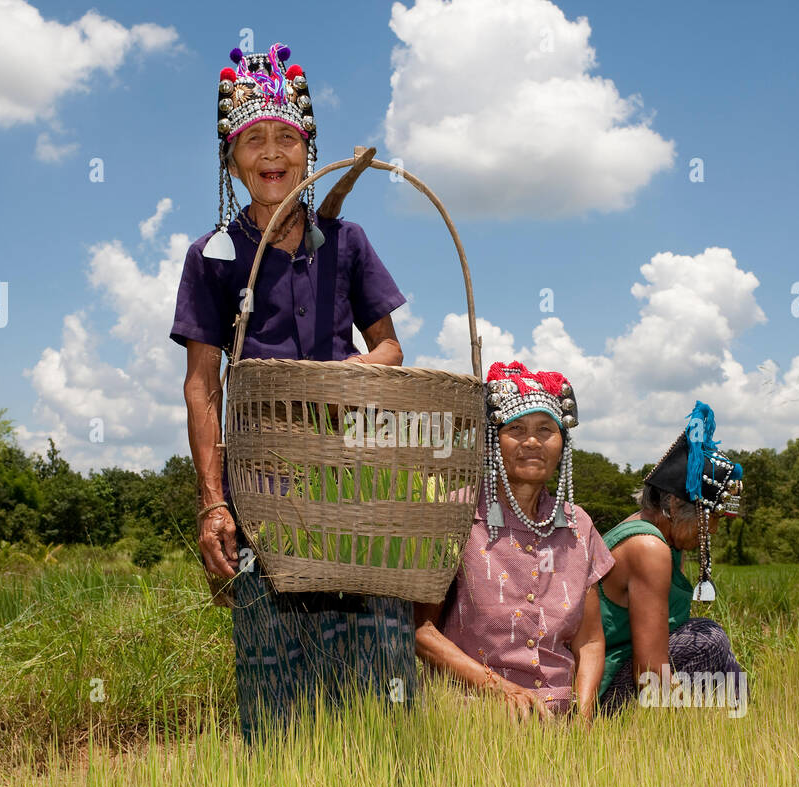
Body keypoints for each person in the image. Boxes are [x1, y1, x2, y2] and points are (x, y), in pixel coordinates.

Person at [170, 43, 413, 741]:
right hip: (263, 484)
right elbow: (201, 386)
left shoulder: (348, 242)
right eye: (253, 140)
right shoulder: (212, 256)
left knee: (378, 664)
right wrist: (214, 502)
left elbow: (390, 349)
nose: (271, 153)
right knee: (277, 680)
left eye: (286, 138)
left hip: (356, 478)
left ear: (309, 152)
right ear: (230, 159)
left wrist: (340, 378)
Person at [414, 362, 612, 722]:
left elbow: (590, 642)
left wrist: (582, 720)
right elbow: (422, 631)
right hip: (473, 711)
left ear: (562, 444)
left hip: (560, 718)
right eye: (516, 429)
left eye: (545, 430)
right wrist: (500, 690)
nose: (532, 441)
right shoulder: (455, 514)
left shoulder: (579, 525)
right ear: (493, 442)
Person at [598, 401, 747, 711]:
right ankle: (726, 724)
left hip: (623, 673)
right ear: (676, 506)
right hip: (606, 687)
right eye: (711, 518)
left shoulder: (662, 538)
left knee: (706, 636)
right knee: (708, 640)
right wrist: (685, 728)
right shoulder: (647, 547)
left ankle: (737, 721)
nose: (714, 530)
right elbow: (650, 669)